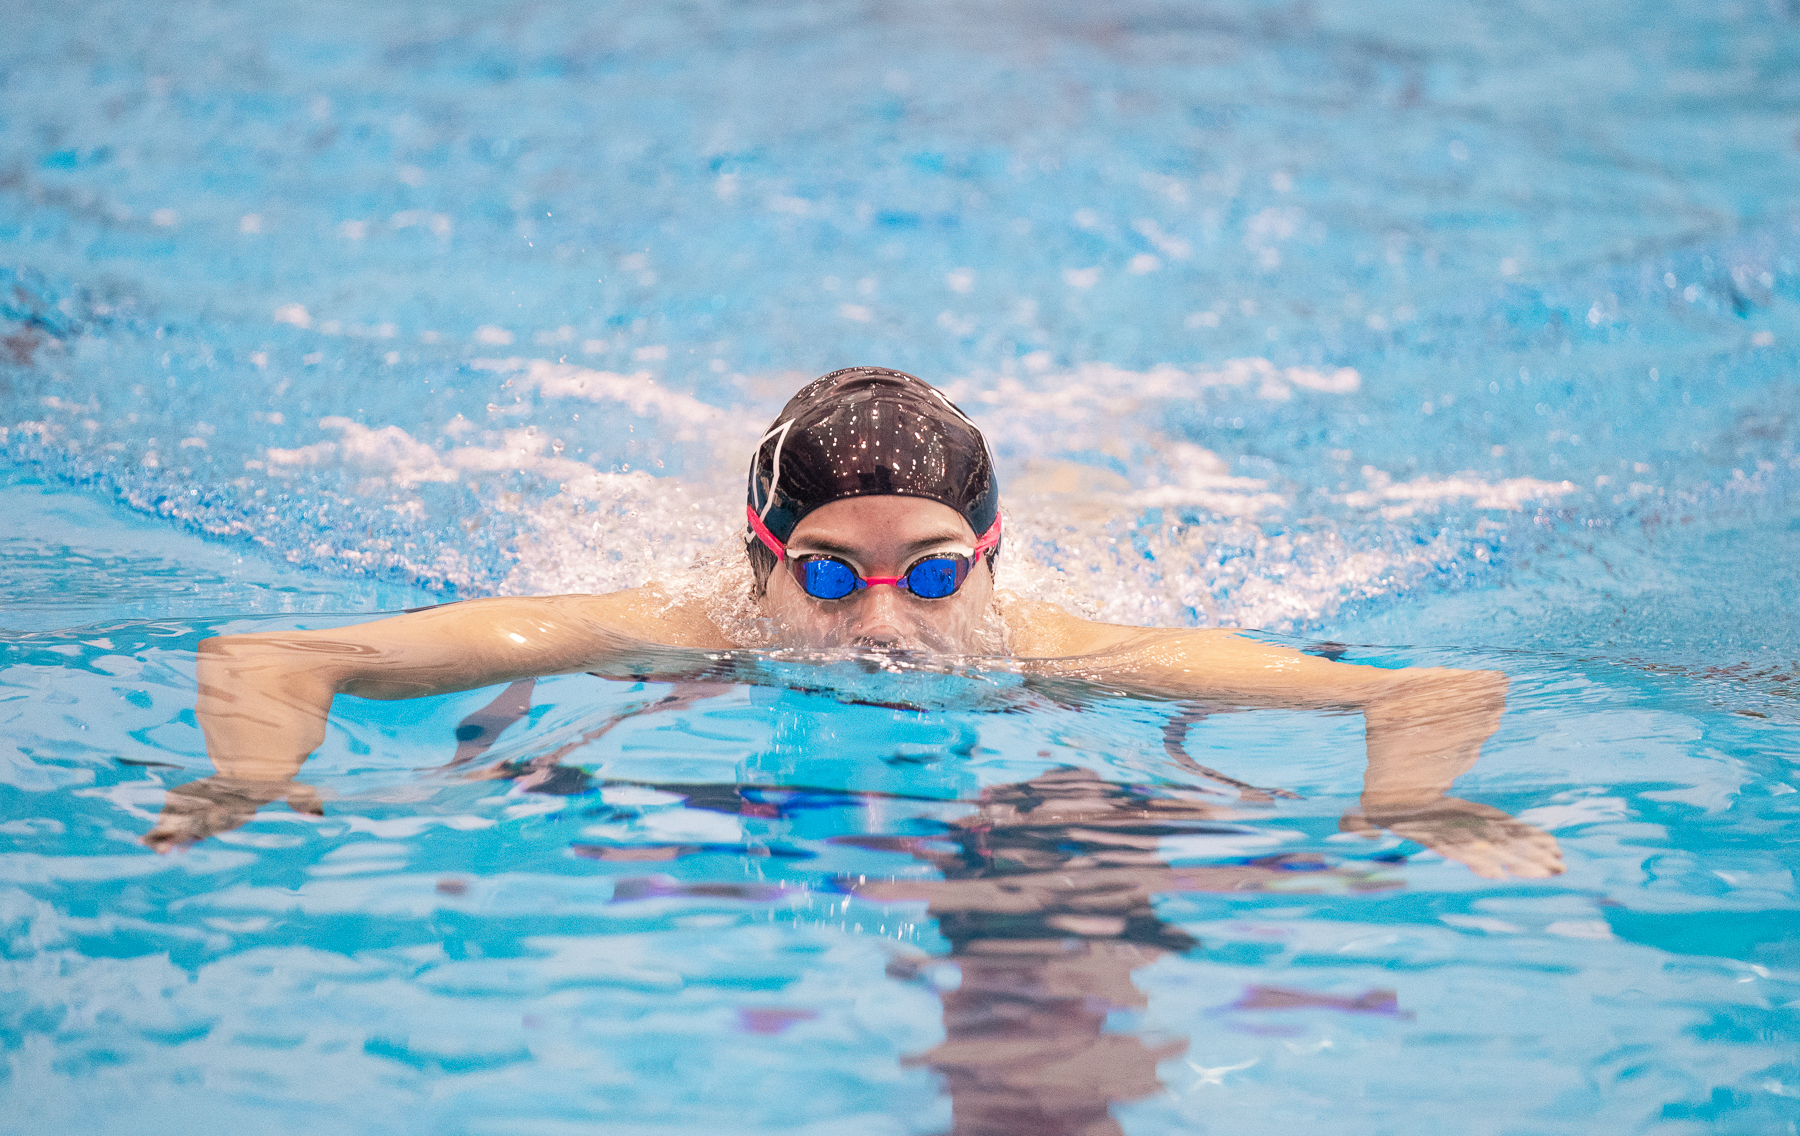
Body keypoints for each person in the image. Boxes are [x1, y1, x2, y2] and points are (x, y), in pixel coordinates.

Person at [146, 366, 1564, 880]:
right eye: (827, 577)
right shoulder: (663, 623)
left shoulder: (1072, 646)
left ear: (994, 567)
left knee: (1128, 473)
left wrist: (1414, 811)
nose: (884, 622)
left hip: (1104, 523)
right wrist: (250, 784)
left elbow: (1424, 688)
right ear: (757, 567)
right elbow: (267, 654)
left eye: (934, 575)